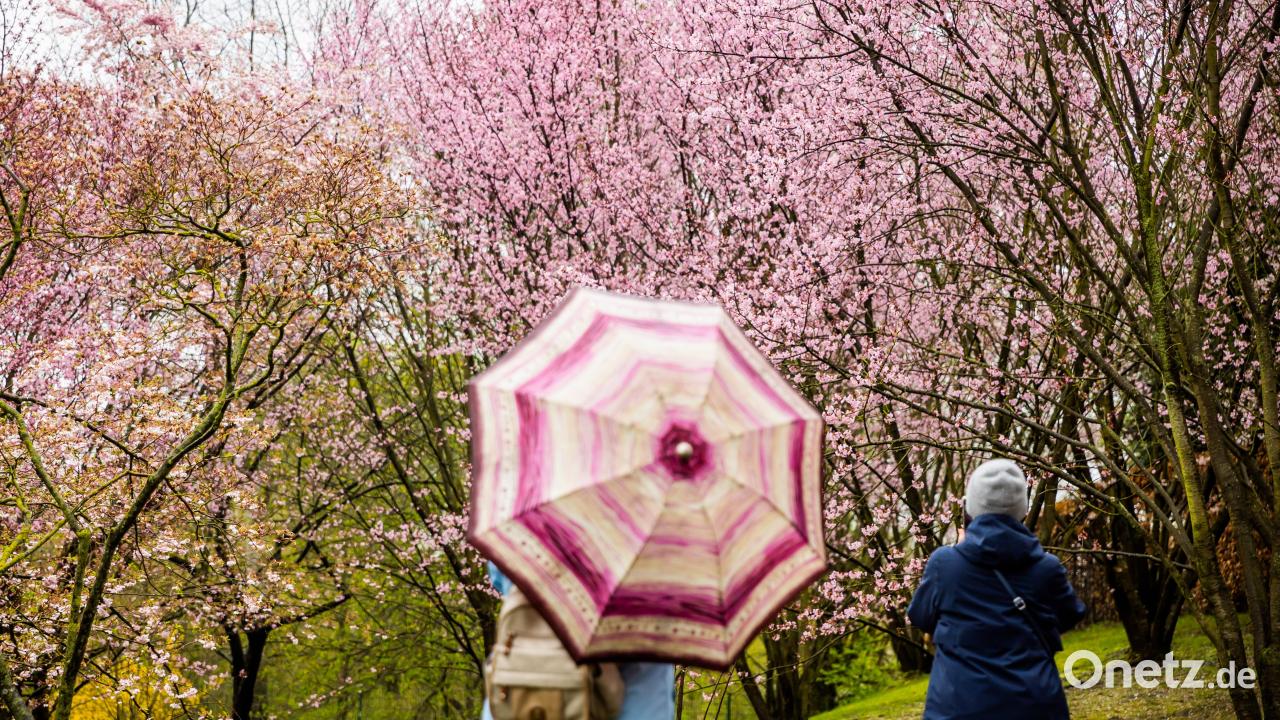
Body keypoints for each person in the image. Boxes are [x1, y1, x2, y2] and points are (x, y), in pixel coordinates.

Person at [907, 459, 1087, 720]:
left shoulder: (944, 565)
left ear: (971, 506)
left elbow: (921, 616)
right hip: (1034, 704)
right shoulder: (1046, 568)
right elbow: (1070, 615)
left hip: (958, 706)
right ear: (1022, 509)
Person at [481, 564, 676, 720]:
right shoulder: (664, 526)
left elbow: (500, 573)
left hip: (529, 676)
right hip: (636, 683)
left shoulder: (526, 520)